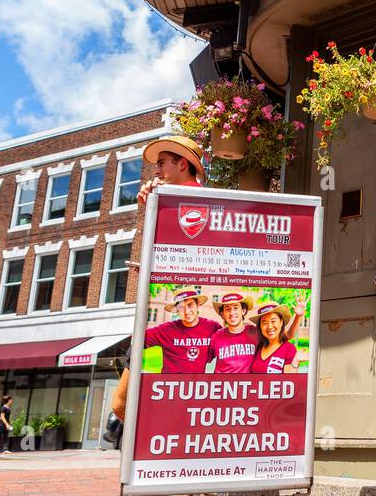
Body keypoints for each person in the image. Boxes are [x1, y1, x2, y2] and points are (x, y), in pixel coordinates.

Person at [104, 136, 206, 445]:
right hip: (159, 321)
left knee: (127, 402)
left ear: (182, 164)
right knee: (125, 403)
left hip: (178, 326)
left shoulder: (199, 202)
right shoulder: (163, 200)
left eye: (162, 163)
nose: (156, 169)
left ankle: (175, 460)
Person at [209, 293, 260, 374]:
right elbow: (202, 360)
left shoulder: (255, 332)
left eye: (236, 308)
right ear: (222, 314)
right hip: (222, 384)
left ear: (243, 311)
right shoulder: (216, 337)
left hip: (247, 385)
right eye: (227, 309)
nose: (232, 313)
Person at [249, 301, 300, 374]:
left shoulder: (289, 349)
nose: (269, 326)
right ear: (260, 326)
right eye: (264, 323)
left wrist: (295, 362)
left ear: (281, 322)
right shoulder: (259, 346)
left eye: (273, 321)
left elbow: (290, 381)